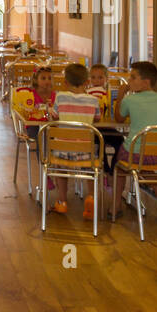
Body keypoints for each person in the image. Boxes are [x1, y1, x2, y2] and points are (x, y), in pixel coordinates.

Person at [112, 60, 157, 211]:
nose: (129, 80)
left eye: (133, 77)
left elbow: (119, 119)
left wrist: (120, 96)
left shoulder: (129, 99)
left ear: (145, 82)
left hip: (135, 153)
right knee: (146, 166)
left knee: (119, 167)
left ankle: (116, 205)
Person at [49, 63, 102, 219]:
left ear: (65, 82)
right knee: (90, 170)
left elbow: (55, 116)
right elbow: (97, 118)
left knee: (60, 169)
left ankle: (62, 201)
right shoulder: (93, 100)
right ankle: (91, 196)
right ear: (87, 82)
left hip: (61, 151)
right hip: (86, 151)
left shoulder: (60, 96)